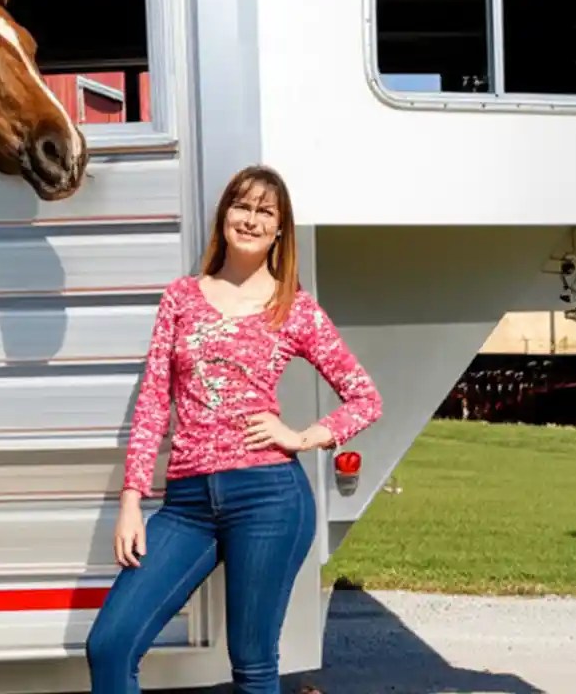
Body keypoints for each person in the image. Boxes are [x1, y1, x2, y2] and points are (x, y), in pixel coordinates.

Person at [85, 164, 383, 694]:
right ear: (224, 215)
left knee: (252, 664)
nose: (249, 219)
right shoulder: (181, 297)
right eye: (240, 206)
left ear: (279, 231)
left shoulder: (294, 308)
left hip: (268, 497)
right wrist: (131, 499)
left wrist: (301, 436)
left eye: (264, 211)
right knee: (110, 643)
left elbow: (365, 398)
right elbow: (155, 400)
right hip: (187, 504)